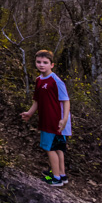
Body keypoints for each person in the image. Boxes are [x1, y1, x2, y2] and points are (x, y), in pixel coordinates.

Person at [20, 50, 71, 187]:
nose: (41, 65)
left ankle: (55, 179)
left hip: (55, 120)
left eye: (45, 63)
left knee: (50, 149)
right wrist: (29, 113)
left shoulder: (56, 81)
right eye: (39, 62)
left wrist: (64, 119)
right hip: (45, 119)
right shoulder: (38, 80)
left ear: (52, 65)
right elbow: (37, 101)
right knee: (58, 148)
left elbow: (66, 101)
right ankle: (62, 175)